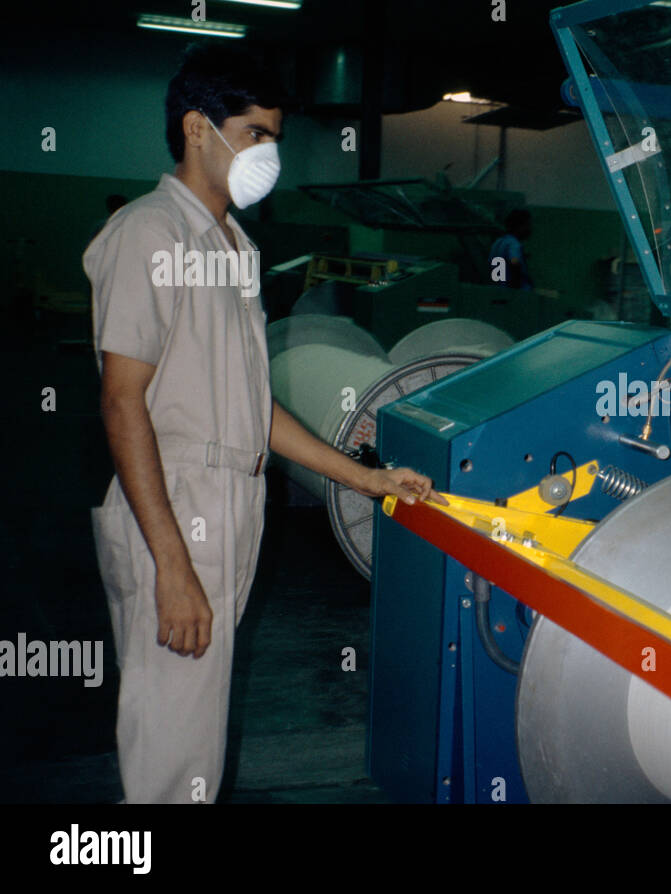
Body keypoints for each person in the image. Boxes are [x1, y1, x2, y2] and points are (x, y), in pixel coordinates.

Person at [83, 43, 446, 804]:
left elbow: (255, 410)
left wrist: (365, 479)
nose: (268, 153)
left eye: (275, 135)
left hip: (232, 498)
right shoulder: (153, 235)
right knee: (171, 745)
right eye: (255, 133)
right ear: (196, 129)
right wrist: (173, 563)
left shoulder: (232, 245)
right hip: (177, 502)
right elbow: (123, 402)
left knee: (193, 733)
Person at [489, 208, 534, 290]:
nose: (529, 229)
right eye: (527, 225)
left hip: (497, 290)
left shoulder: (498, 243)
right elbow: (514, 261)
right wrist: (516, 290)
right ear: (519, 226)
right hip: (513, 294)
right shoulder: (513, 244)